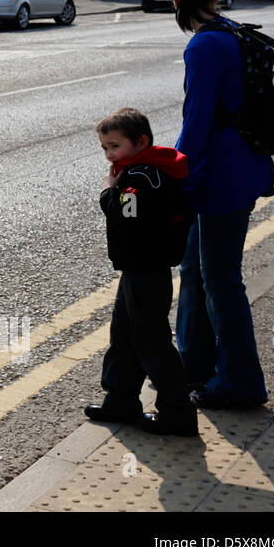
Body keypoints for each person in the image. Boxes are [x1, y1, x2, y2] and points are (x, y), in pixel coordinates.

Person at [171, 0, 274, 409]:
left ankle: (241, 383)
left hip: (220, 178)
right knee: (195, 273)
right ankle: (192, 367)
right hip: (242, 167)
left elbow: (196, 125)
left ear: (177, 1)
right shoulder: (233, 32)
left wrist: (176, 177)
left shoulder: (203, 47)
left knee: (221, 280)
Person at [86, 108, 197, 436]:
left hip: (147, 271)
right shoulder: (145, 171)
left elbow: (127, 215)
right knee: (123, 334)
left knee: (152, 342)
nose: (109, 154)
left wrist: (108, 191)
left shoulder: (140, 177)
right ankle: (121, 399)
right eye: (105, 148)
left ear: (141, 142)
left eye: (115, 146)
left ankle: (178, 411)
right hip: (138, 270)